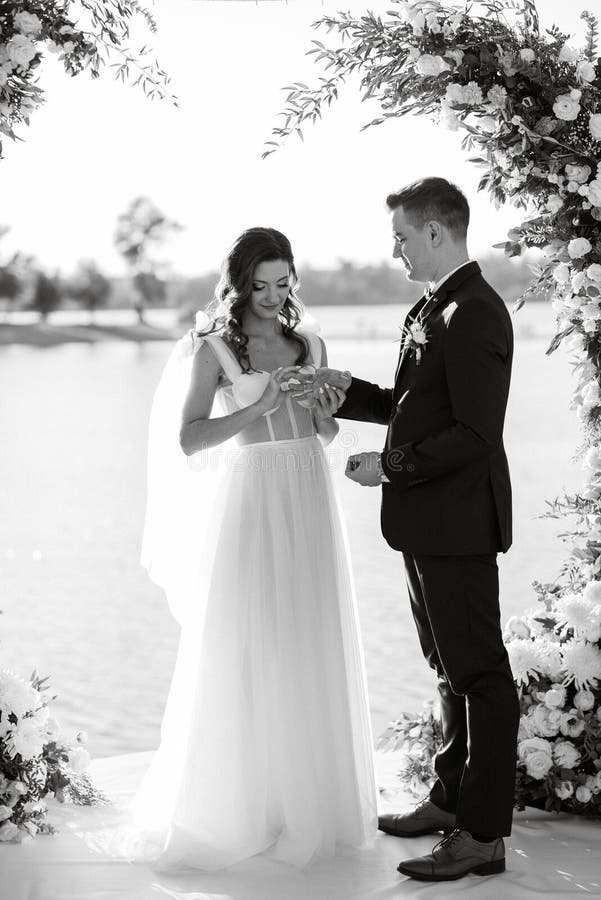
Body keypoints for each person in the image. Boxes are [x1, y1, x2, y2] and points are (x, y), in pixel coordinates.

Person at [128, 226, 378, 871]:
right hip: (251, 495)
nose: (273, 296)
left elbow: (322, 435)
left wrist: (324, 412)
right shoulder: (214, 348)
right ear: (239, 285)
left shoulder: (310, 341)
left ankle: (307, 802)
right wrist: (258, 405)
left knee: (307, 637)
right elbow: (189, 439)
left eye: (283, 282)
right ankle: (241, 806)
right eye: (261, 285)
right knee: (248, 641)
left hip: (309, 495)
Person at [304, 178, 520, 882]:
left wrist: (389, 467)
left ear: (435, 232)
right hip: (427, 524)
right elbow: (412, 403)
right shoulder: (433, 307)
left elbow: (474, 435)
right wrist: (343, 390)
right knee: (445, 669)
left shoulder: (475, 313)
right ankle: (450, 798)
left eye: (400, 236)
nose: (393, 249)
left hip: (456, 522)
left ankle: (483, 836)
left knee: (480, 675)